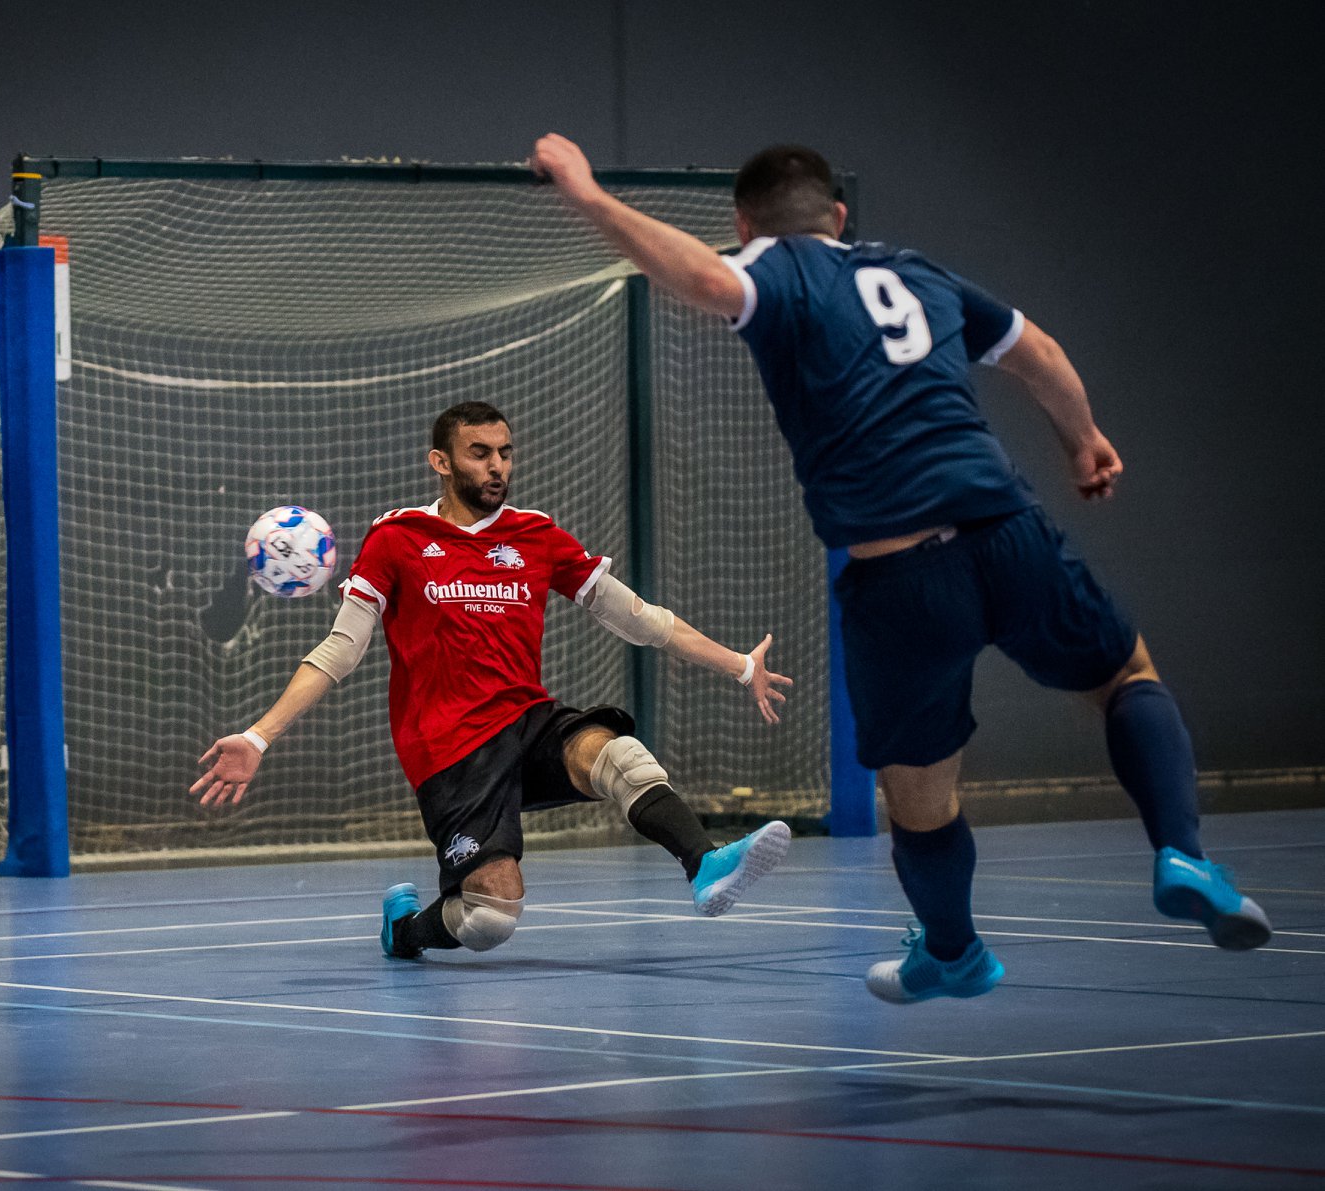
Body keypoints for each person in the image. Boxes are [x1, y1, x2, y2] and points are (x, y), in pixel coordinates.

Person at [527, 133, 1271, 1003]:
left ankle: (952, 949)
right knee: (1121, 674)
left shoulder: (774, 272)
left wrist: (584, 193)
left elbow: (701, 280)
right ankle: (1181, 851)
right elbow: (1041, 355)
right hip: (1008, 530)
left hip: (898, 576)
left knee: (917, 789)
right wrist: (1084, 441)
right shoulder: (918, 273)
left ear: (743, 223)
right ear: (839, 216)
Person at [192, 401, 794, 960]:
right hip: (449, 746)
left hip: (527, 720)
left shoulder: (535, 535)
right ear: (442, 462)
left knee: (623, 756)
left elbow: (639, 618)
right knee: (491, 919)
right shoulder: (397, 539)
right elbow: (341, 650)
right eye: (480, 453)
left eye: (505, 452)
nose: (497, 466)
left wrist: (740, 665)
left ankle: (704, 863)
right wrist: (259, 737)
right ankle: (405, 932)